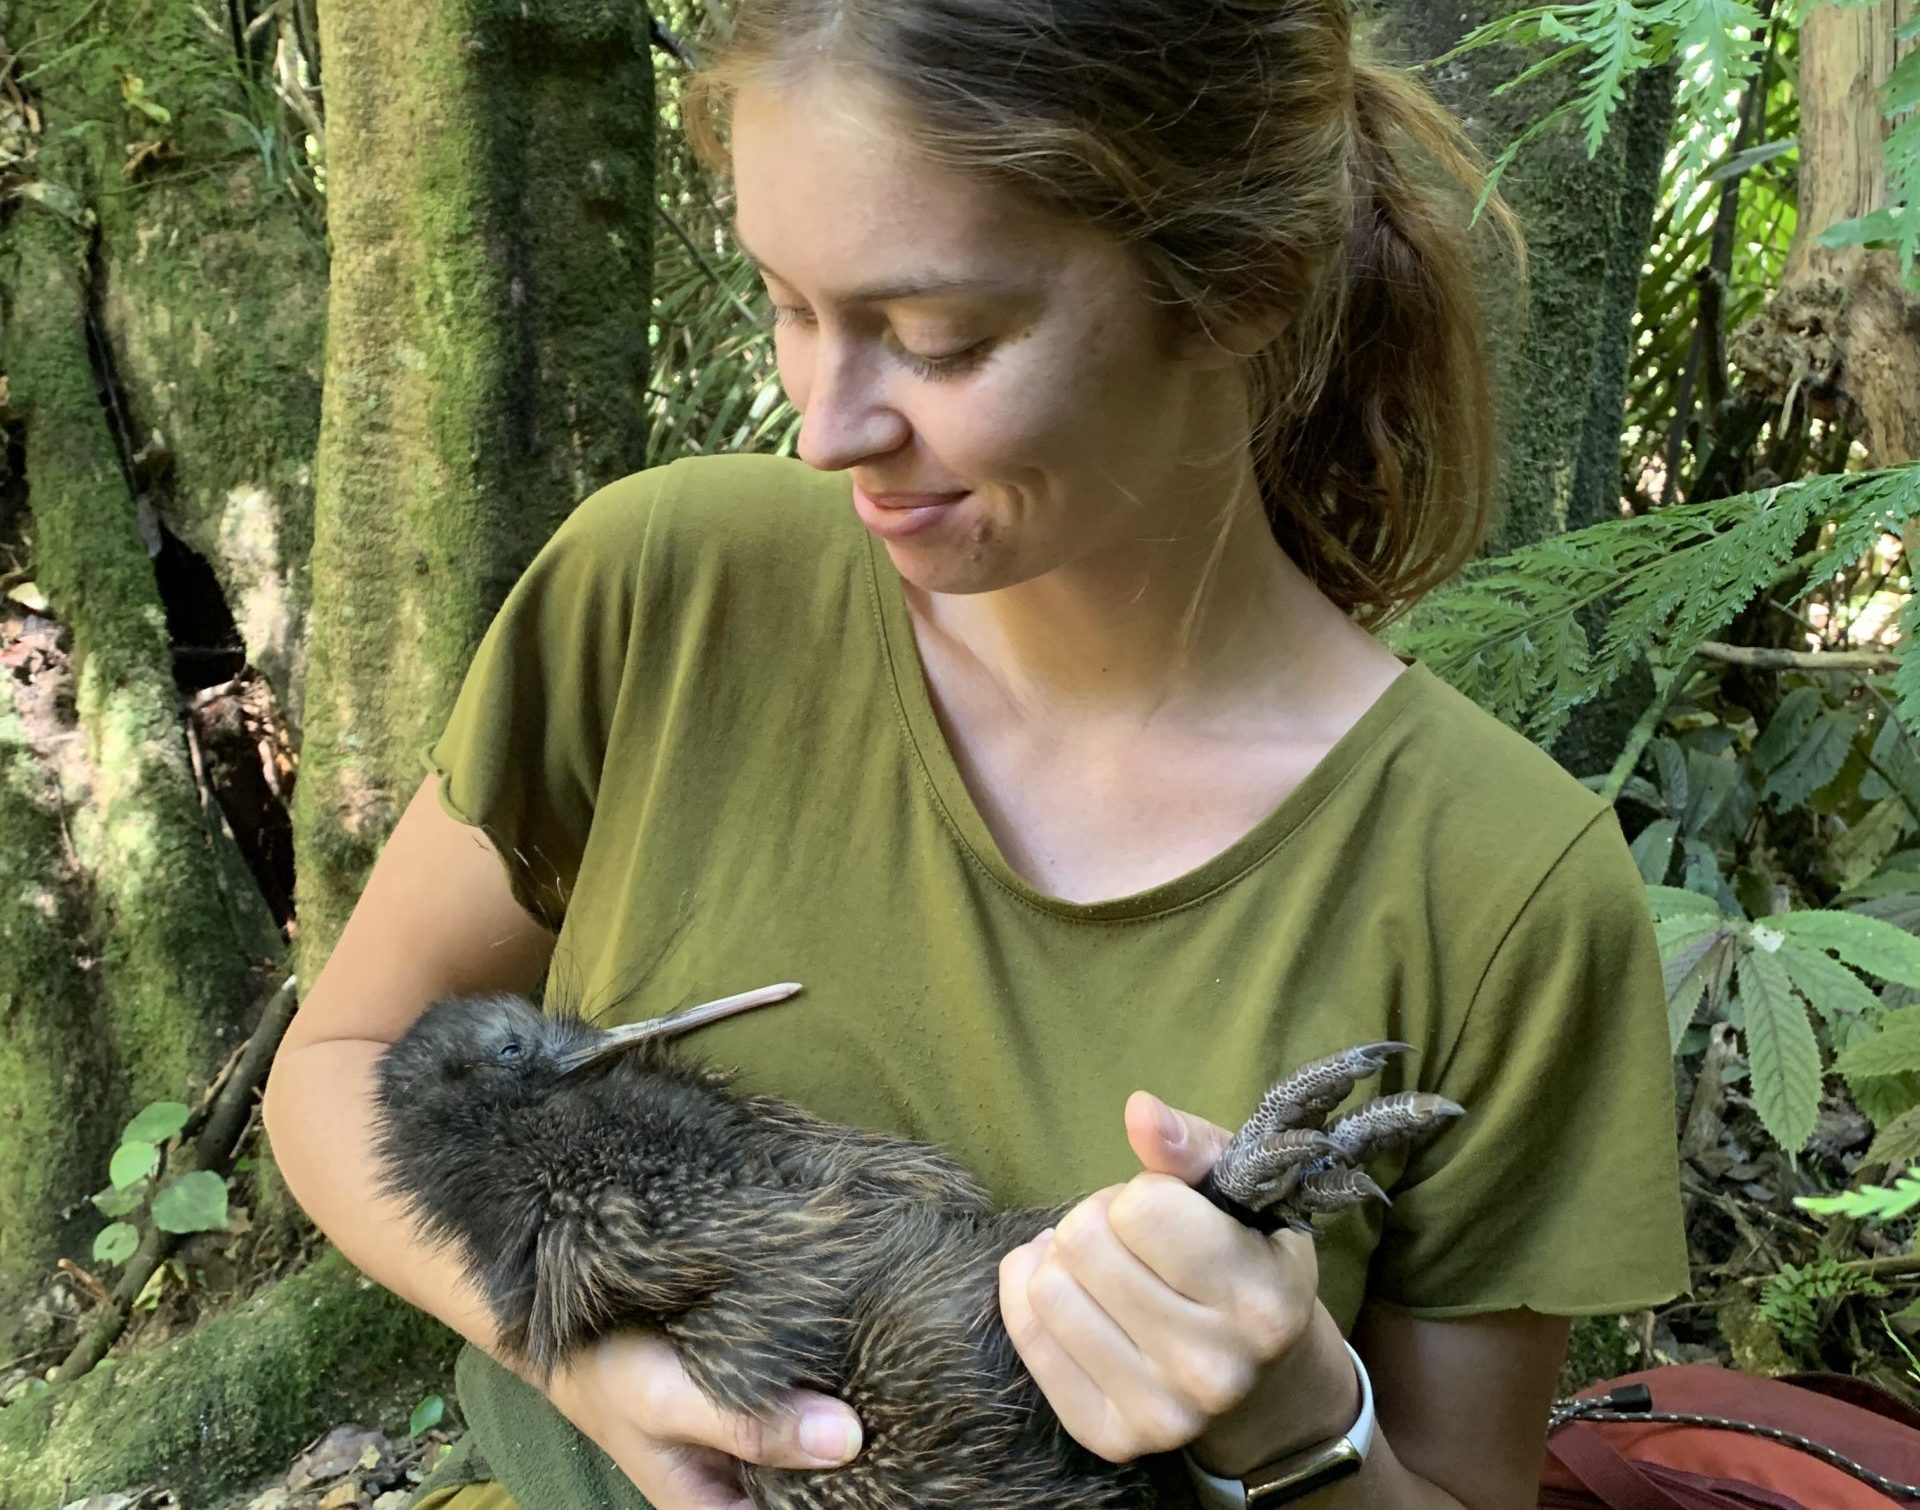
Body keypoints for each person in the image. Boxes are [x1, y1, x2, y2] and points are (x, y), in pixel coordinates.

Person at [261, 1, 1690, 1507]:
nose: (825, 429)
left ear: (1241, 289)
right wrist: (593, 1369)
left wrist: (1294, 1425)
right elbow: (342, 1062)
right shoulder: (670, 589)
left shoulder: (1497, 884)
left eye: (937, 340)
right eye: (787, 304)